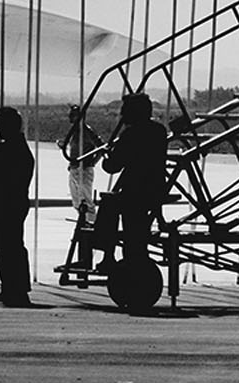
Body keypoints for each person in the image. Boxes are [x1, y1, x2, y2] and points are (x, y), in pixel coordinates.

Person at [94, 91, 170, 275]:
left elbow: (112, 166)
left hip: (135, 192)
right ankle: (126, 258)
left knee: (108, 206)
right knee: (134, 228)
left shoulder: (131, 134)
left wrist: (108, 155)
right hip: (155, 188)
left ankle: (108, 256)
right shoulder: (159, 131)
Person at [0, 107, 36, 307]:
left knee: (10, 247)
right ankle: (11, 287)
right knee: (7, 247)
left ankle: (17, 289)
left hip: (9, 203)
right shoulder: (15, 146)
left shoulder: (12, 148)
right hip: (12, 202)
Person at [58, 104, 104, 221]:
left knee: (86, 199)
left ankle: (91, 221)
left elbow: (101, 147)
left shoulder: (87, 131)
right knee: (76, 199)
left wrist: (93, 161)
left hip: (84, 168)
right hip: (74, 168)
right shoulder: (74, 131)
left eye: (73, 115)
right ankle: (83, 219)